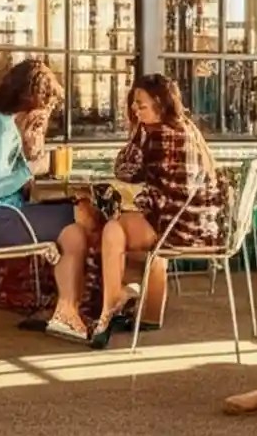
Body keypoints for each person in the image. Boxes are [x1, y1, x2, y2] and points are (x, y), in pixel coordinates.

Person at [90, 73, 228, 349]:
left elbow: (124, 171)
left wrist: (135, 135)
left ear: (160, 104)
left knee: (113, 229)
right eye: (133, 105)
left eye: (141, 105)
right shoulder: (186, 129)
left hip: (180, 229)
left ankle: (108, 311)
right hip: (205, 228)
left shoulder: (158, 135)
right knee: (136, 225)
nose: (135, 110)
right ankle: (147, 314)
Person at [0, 59, 90, 342]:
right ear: (33, 97)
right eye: (46, 103)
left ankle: (63, 310)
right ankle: (79, 308)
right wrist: (33, 168)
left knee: (74, 233)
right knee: (82, 215)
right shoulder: (0, 127)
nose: (46, 111)